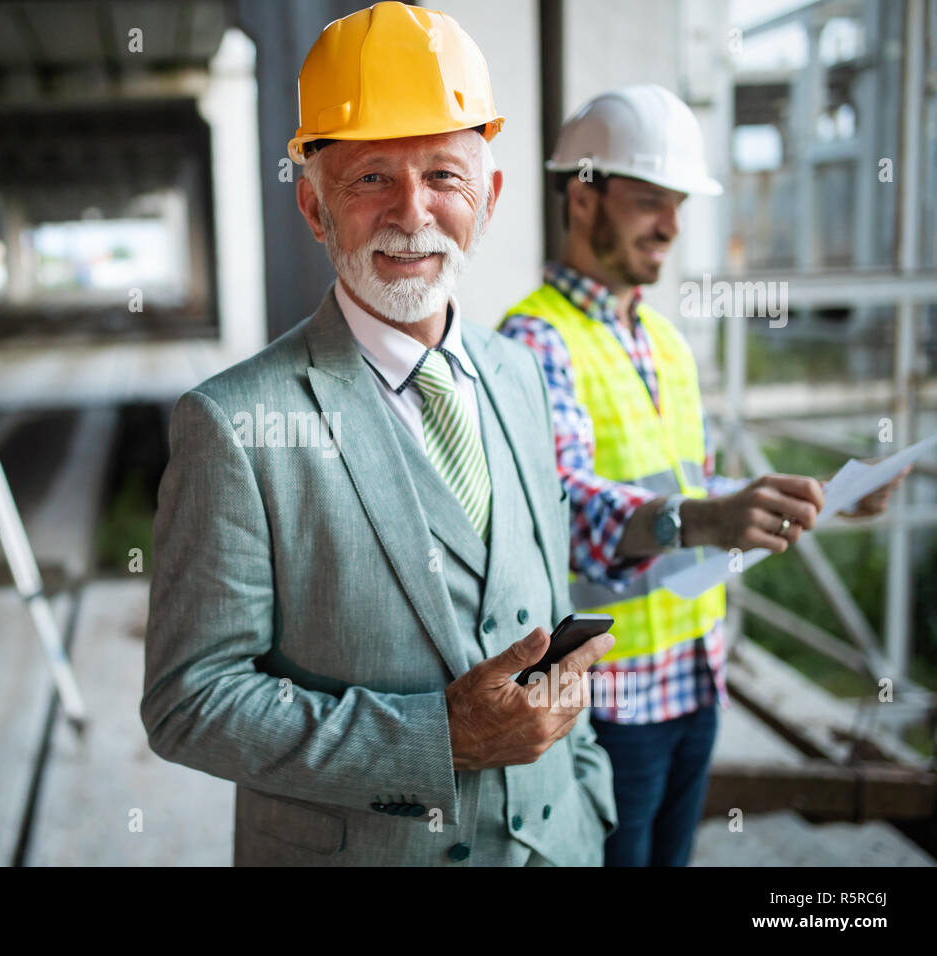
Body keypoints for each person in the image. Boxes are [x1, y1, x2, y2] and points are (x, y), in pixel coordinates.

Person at [142, 1, 616, 866]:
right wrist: (437, 737)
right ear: (315, 210)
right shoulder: (234, 425)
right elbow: (189, 702)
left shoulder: (521, 375)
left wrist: (587, 803)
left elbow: (542, 612)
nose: (413, 213)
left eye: (444, 175)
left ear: (492, 195)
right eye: (370, 179)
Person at [500, 85, 906, 866]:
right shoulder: (535, 339)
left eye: (678, 203)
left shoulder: (664, 339)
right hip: (607, 698)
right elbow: (563, 506)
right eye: (650, 200)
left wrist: (815, 499)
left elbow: (697, 491)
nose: (673, 226)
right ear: (582, 197)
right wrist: (700, 520)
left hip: (695, 677)